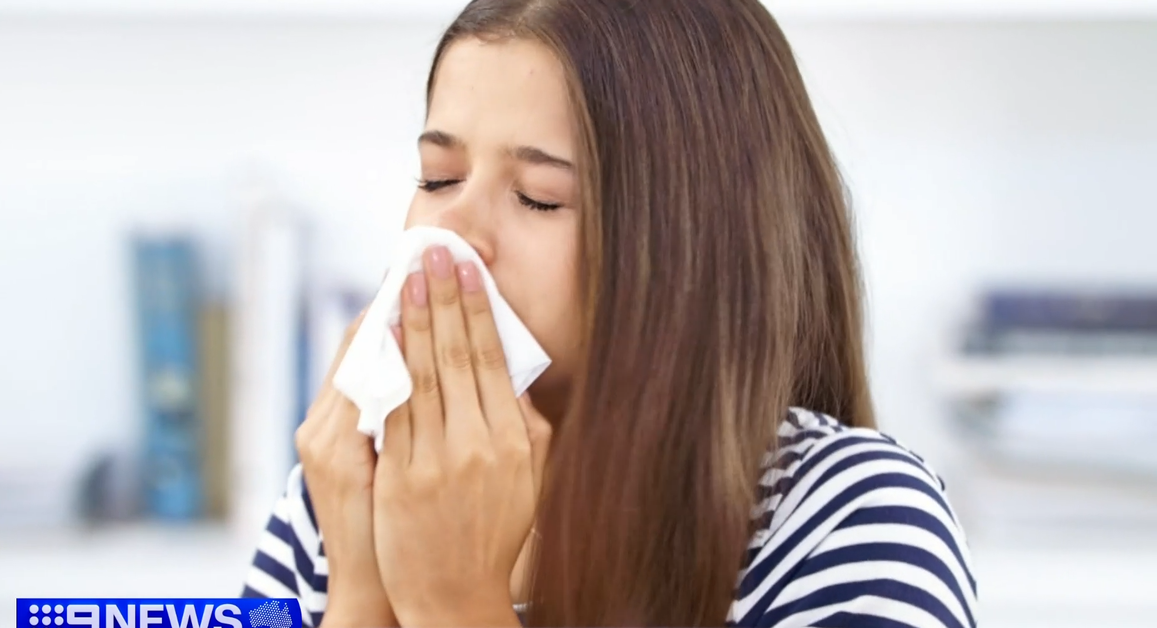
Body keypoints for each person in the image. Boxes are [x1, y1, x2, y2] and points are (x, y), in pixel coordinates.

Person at [242, 0, 979, 626]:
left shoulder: (852, 521)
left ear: (691, 236)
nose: (455, 232)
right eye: (440, 177)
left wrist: (454, 601)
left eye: (538, 196)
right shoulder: (332, 494)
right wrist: (363, 592)